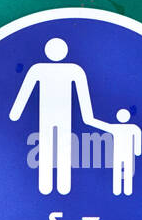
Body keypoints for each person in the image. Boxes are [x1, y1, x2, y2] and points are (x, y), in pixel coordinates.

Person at [9, 37, 100, 195]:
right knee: (49, 146)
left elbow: (83, 95)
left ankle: (60, 186)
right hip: (48, 115)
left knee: (60, 146)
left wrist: (87, 116)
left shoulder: (72, 70)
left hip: (62, 116)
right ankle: (49, 185)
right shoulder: (41, 69)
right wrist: (15, 112)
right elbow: (25, 91)